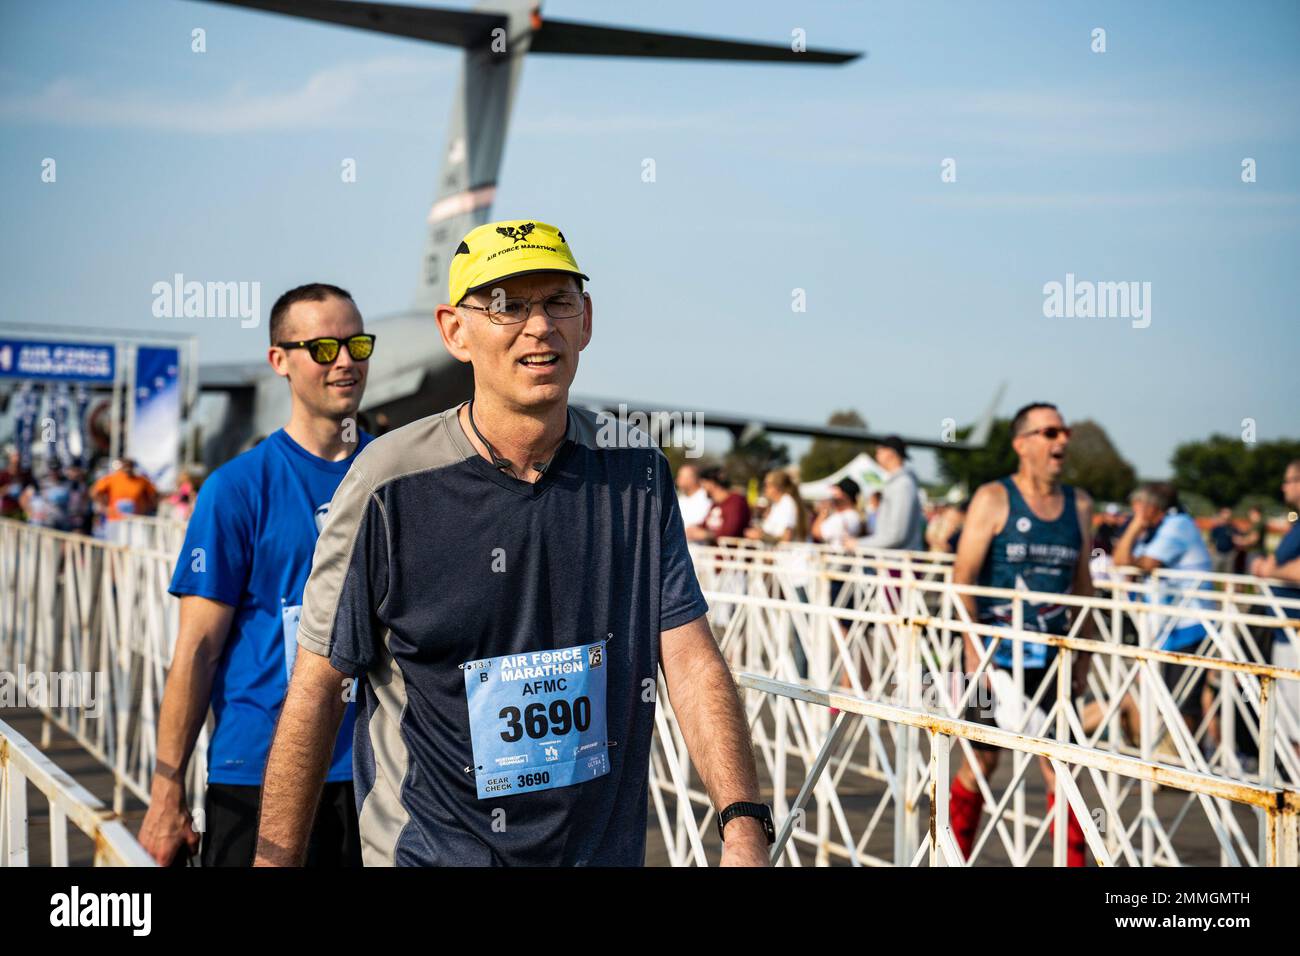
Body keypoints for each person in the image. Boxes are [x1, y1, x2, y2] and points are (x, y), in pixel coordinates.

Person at [253, 220, 772, 867]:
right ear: (454, 332)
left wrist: (743, 822)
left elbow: (689, 656)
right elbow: (319, 685)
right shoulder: (388, 484)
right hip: (432, 853)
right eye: (505, 306)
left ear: (586, 320)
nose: (538, 327)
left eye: (559, 301)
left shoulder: (636, 475)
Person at [138, 283, 375, 867]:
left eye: (357, 344)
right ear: (280, 361)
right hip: (259, 771)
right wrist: (167, 791)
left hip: (376, 774)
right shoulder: (236, 489)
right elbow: (196, 649)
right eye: (322, 348)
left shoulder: (395, 479)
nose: (344, 361)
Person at [948, 402, 1097, 866]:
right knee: (981, 762)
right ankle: (952, 856)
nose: (1062, 441)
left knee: (1062, 768)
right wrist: (975, 653)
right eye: (1050, 431)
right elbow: (962, 579)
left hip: (1052, 656)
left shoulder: (1081, 504)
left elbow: (1084, 585)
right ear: (1022, 443)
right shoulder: (994, 498)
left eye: (1065, 431)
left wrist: (1085, 656)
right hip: (993, 653)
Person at [1113, 482, 1215, 734]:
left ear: (1151, 506)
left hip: (1189, 626)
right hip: (1166, 629)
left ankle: (1187, 762)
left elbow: (1146, 563)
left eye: (1137, 506)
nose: (1133, 510)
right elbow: (1120, 561)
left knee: (1184, 704)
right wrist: (1138, 526)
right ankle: (1172, 759)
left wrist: (1136, 526)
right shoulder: (1154, 530)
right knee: (1162, 702)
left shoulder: (1177, 525)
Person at [847, 436, 923, 552]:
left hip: (898, 564)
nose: (877, 455)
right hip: (896, 561)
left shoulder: (902, 485)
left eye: (879, 451)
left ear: (890, 453)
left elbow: (896, 535)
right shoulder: (899, 483)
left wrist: (858, 544)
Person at [90, 457, 158, 537]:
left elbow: (154, 495)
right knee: (114, 545)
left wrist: (146, 508)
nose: (127, 469)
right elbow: (95, 492)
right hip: (115, 519)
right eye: (125, 466)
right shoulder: (113, 478)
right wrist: (104, 507)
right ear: (122, 466)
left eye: (130, 466)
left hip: (135, 520)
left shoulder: (142, 480)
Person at [686, 466, 752, 545]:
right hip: (712, 553)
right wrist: (694, 529)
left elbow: (731, 531)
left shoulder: (736, 501)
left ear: (711, 484)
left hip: (729, 554)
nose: (703, 488)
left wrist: (706, 535)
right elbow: (705, 525)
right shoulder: (716, 504)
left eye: (703, 483)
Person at [675, 462, 712, 532]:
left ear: (693, 479)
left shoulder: (706, 498)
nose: (677, 480)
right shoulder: (680, 498)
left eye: (680, 476)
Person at [1209, 506, 1238, 575]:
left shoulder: (1233, 527)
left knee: (1228, 575)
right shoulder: (1217, 527)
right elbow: (1211, 540)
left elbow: (1238, 539)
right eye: (1225, 513)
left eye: (1228, 513)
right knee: (1213, 573)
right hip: (1218, 554)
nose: (1227, 515)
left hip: (1230, 555)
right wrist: (1212, 550)